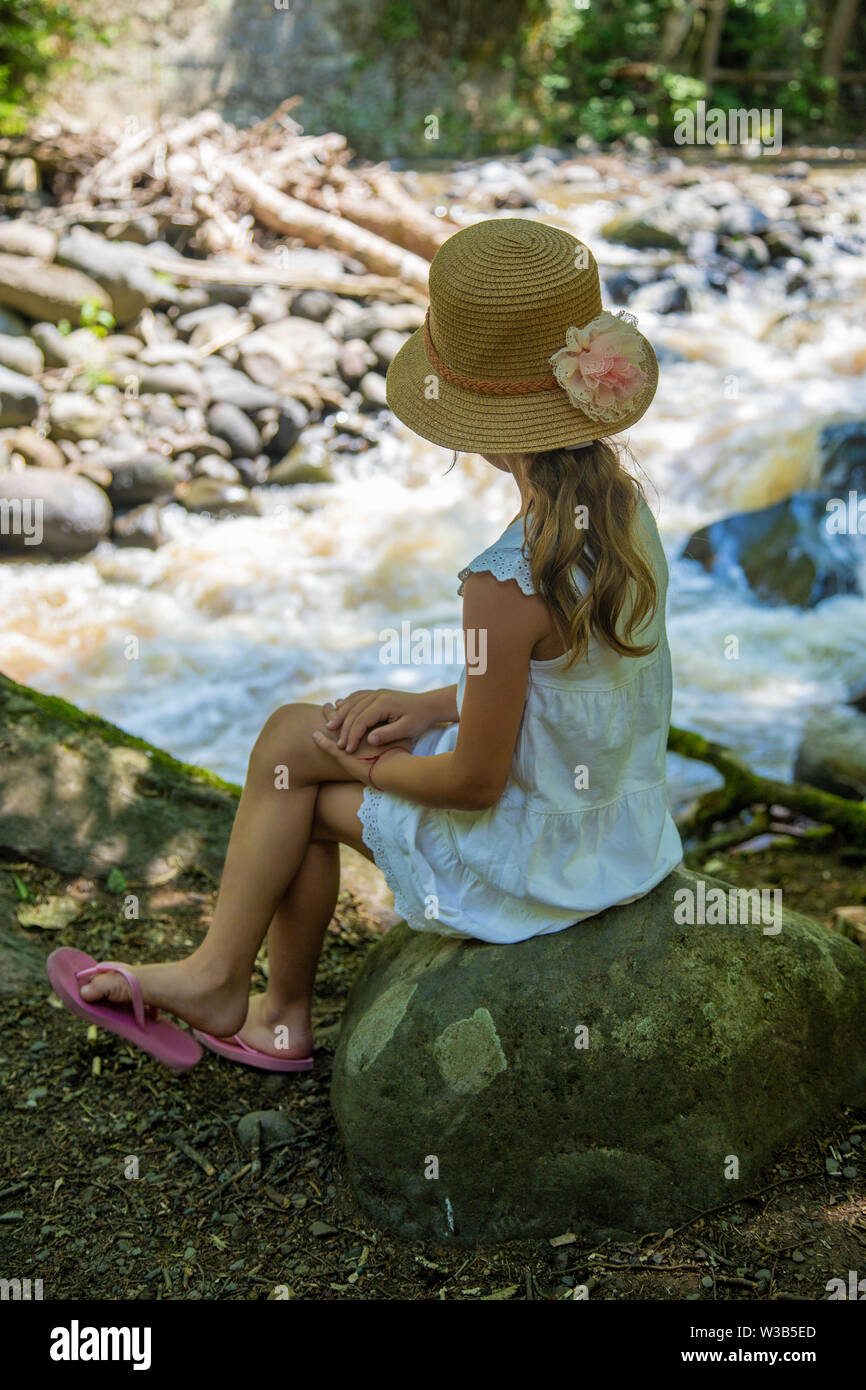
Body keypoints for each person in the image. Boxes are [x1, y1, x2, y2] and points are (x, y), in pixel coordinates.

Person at [47, 217, 683, 1072]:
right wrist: (427, 706)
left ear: (477, 418)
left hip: (536, 871)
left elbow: (473, 782)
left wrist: (354, 763)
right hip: (617, 836)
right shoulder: (623, 511)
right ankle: (263, 1007)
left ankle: (232, 988)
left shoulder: (506, 581)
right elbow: (577, 688)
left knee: (288, 750)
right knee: (300, 763)